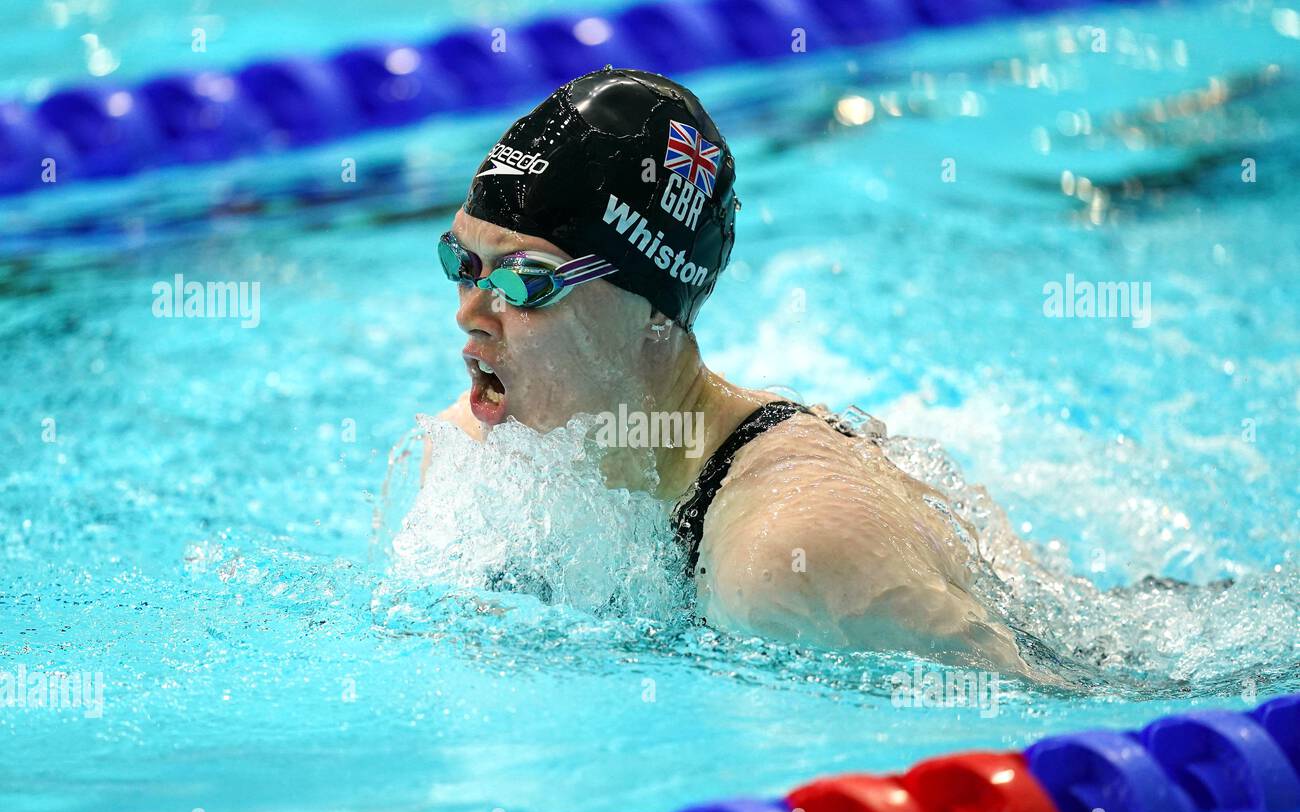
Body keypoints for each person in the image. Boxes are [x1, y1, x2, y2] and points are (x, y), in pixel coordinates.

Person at [429, 67, 1024, 671]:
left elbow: (1044, 713)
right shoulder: (463, 457)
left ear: (653, 312)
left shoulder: (789, 560)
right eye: (464, 264)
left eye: (526, 281)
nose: (472, 312)